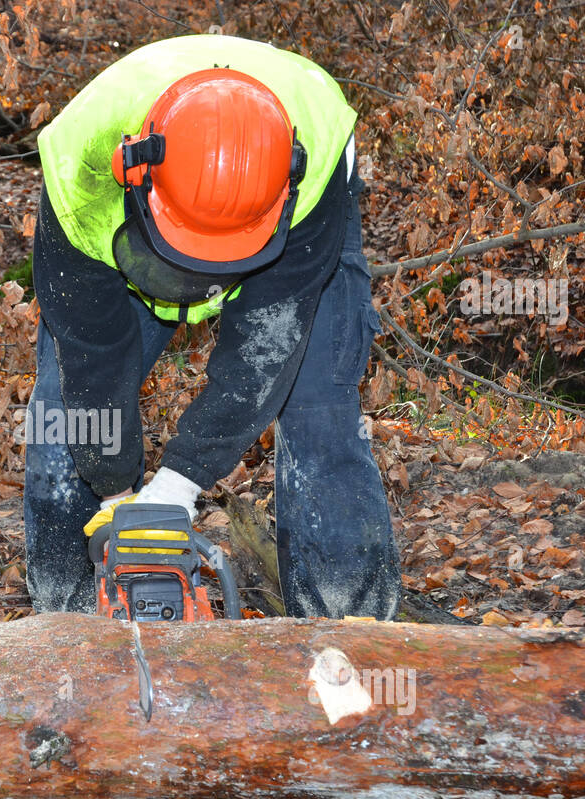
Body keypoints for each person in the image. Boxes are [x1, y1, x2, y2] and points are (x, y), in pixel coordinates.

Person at [24, 33, 400, 621]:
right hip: (124, 233)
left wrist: (178, 484)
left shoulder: (311, 171)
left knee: (319, 411)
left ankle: (349, 632)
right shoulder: (83, 172)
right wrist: (122, 499)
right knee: (63, 411)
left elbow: (264, 350)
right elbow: (94, 355)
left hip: (291, 209)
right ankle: (64, 624)